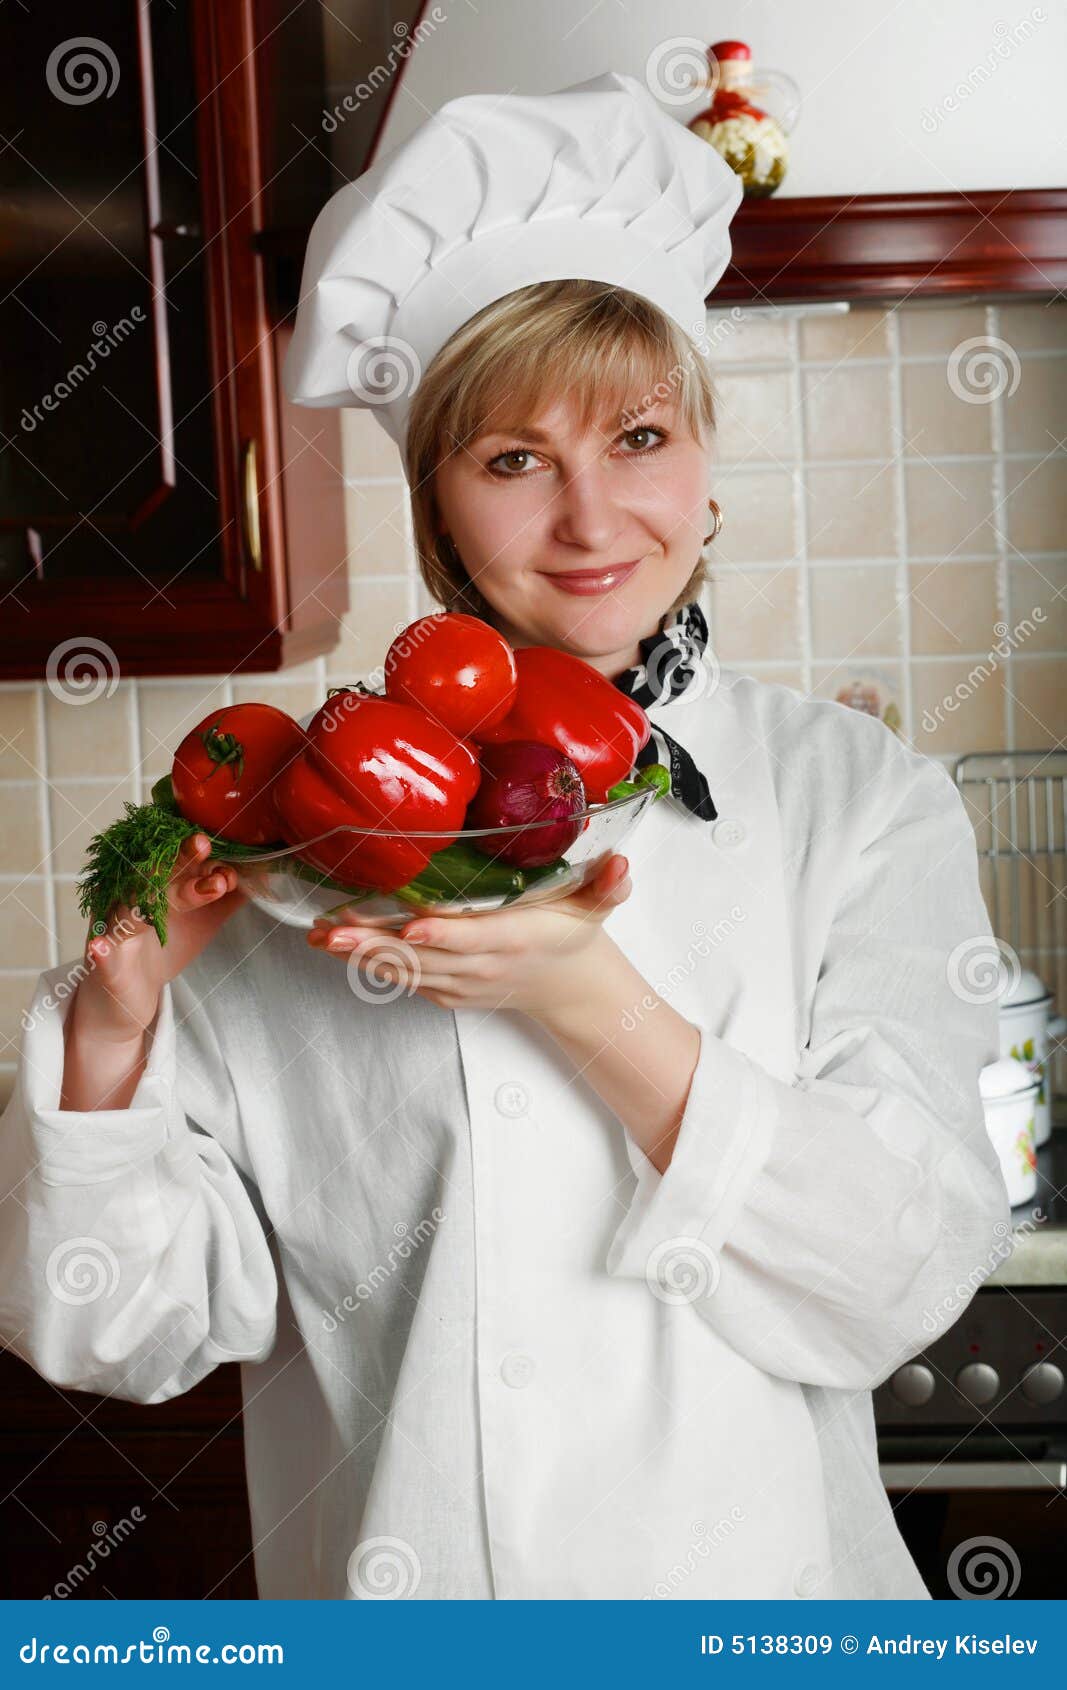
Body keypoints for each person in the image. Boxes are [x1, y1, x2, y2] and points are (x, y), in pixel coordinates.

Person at [0, 71, 1010, 1602]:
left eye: (642, 437)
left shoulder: (854, 801)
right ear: (437, 513)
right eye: (515, 459)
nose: (594, 521)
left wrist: (581, 997)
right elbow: (117, 1328)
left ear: (708, 465)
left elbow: (901, 1277)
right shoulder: (292, 839)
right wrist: (113, 1041)